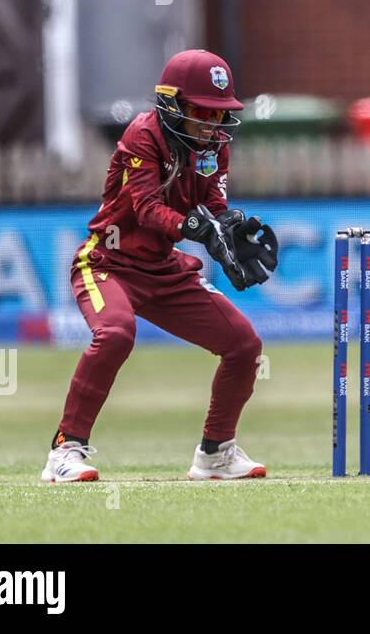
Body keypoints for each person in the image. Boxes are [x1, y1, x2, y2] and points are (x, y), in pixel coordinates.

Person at [42, 50, 279, 483]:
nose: (211, 125)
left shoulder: (212, 145)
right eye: (201, 113)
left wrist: (227, 226)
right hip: (106, 263)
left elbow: (213, 205)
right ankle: (65, 450)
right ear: (173, 106)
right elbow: (149, 210)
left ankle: (215, 454)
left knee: (244, 345)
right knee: (115, 333)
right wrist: (197, 228)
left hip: (164, 270)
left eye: (219, 114)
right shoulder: (143, 136)